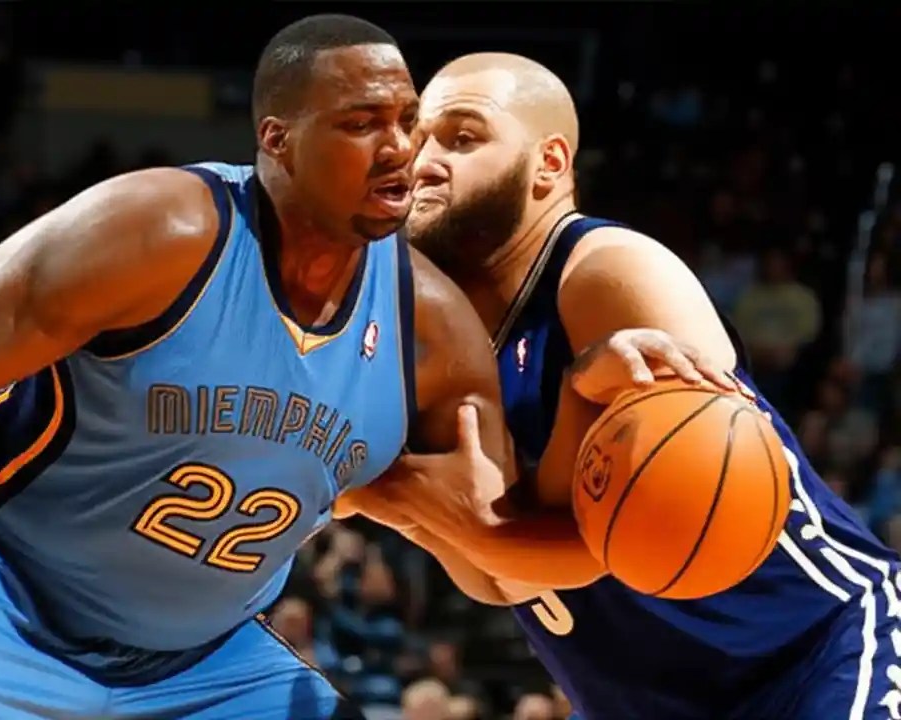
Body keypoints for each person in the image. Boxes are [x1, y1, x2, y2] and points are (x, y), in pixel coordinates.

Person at [0, 16, 551, 720]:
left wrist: (449, 517)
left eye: (408, 119)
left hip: (203, 661)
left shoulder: (436, 333)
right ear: (276, 139)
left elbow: (496, 579)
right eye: (361, 122)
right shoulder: (158, 232)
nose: (400, 147)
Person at [346, 51, 901, 719]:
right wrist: (411, 498)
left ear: (549, 165)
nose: (425, 159)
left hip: (813, 655)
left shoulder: (608, 272)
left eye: (463, 138)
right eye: (420, 135)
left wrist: (389, 491)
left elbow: (629, 540)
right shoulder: (429, 340)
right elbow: (501, 581)